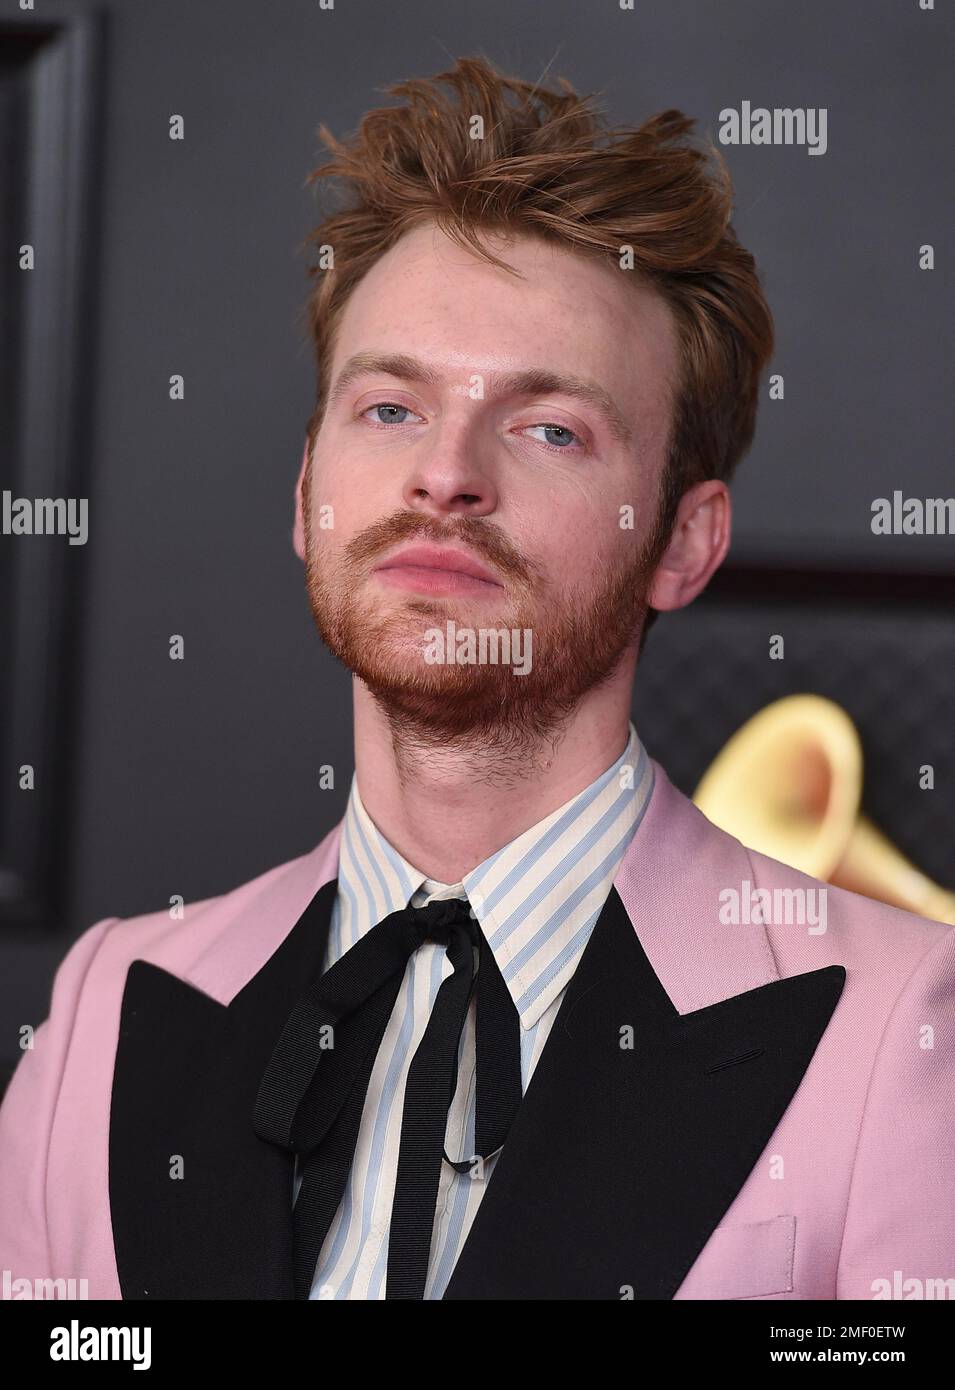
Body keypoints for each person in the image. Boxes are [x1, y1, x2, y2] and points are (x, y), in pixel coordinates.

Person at [1, 56, 952, 1302]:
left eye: (548, 428)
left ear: (682, 539)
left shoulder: (903, 1023)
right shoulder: (109, 1004)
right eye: (390, 408)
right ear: (306, 495)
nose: (445, 474)